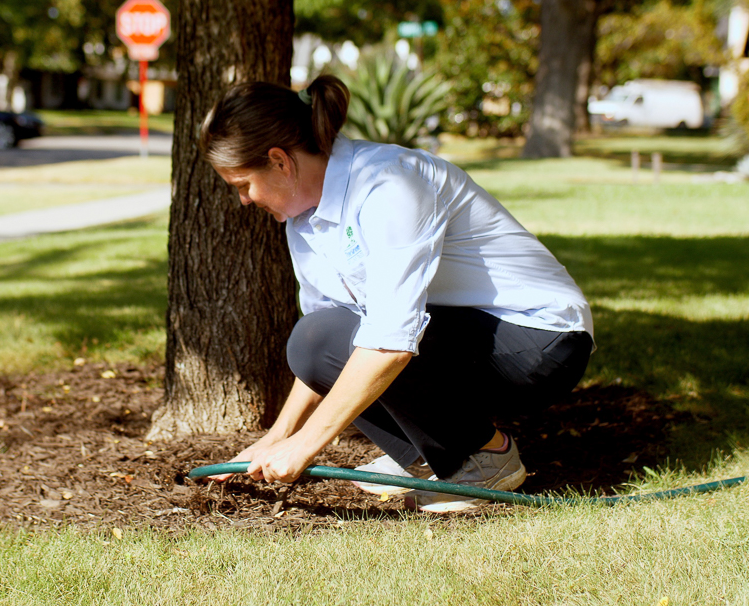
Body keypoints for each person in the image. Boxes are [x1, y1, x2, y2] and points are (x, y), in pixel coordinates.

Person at [199, 75, 594, 512]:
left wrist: (305, 447)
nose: (244, 201)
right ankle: (432, 460)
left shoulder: (390, 185)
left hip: (541, 339)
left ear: (279, 161)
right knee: (310, 343)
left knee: (343, 339)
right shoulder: (303, 218)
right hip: (463, 336)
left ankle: (487, 458)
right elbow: (323, 345)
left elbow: (390, 342)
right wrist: (277, 438)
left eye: (241, 185)